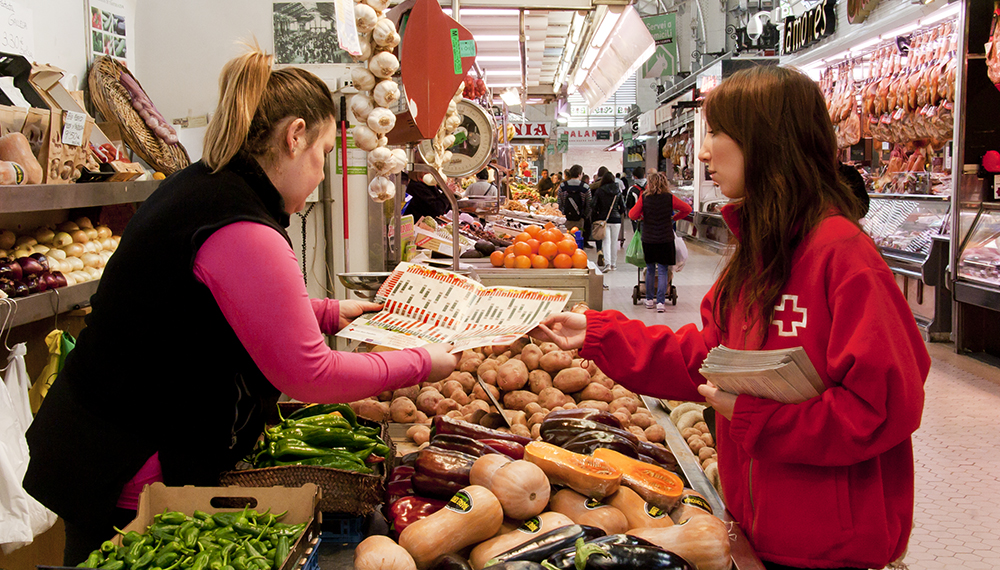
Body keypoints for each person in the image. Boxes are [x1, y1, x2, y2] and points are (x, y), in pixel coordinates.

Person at [24, 45, 459, 565]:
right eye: (323, 152)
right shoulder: (242, 226)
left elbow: (203, 305)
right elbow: (311, 376)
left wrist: (323, 313)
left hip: (97, 435)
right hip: (127, 461)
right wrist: (421, 362)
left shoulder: (204, 186)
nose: (322, 174)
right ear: (294, 136)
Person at [530, 66, 929, 570]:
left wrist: (760, 420)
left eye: (716, 133)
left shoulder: (844, 259)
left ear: (766, 141)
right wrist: (600, 333)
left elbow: (884, 407)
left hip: (833, 550)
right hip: (758, 531)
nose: (702, 152)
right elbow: (707, 360)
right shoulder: (755, 257)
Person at [629, 171, 692, 312]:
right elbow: (687, 209)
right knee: (663, 270)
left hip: (649, 238)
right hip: (665, 238)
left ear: (650, 184)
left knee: (650, 269)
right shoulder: (670, 198)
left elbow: (632, 214)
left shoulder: (644, 197)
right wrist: (674, 218)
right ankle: (661, 303)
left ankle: (649, 300)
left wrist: (642, 216)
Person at [590, 171, 625, 272]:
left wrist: (598, 212)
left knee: (606, 242)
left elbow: (593, 204)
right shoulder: (617, 190)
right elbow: (623, 206)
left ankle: (608, 264)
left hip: (603, 219)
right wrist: (618, 212)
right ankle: (614, 264)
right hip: (616, 219)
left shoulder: (600, 190)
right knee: (614, 242)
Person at [557, 164, 591, 246]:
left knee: (566, 239)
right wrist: (584, 216)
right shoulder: (585, 187)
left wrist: (562, 213)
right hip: (579, 218)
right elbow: (589, 203)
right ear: (579, 174)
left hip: (565, 218)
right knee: (577, 239)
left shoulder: (563, 186)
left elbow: (559, 202)